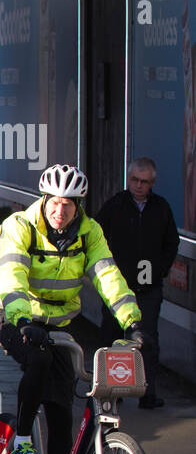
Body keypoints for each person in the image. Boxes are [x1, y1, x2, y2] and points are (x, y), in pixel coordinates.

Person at [0, 164, 145, 454]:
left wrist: (133, 322)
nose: (61, 212)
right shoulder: (20, 226)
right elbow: (11, 276)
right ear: (45, 201)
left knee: (62, 414)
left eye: (69, 205)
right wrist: (22, 318)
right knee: (38, 360)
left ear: (78, 207)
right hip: (15, 316)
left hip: (58, 324)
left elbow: (109, 277)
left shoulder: (89, 233)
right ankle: (22, 445)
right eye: (55, 203)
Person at [94, 157, 179, 408]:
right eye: (135, 180)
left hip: (148, 288)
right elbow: (97, 239)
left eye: (145, 182)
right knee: (111, 337)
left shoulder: (161, 208)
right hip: (117, 288)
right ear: (128, 179)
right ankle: (110, 391)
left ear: (152, 183)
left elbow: (171, 242)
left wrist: (160, 270)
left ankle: (148, 394)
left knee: (147, 340)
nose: (139, 185)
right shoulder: (115, 206)